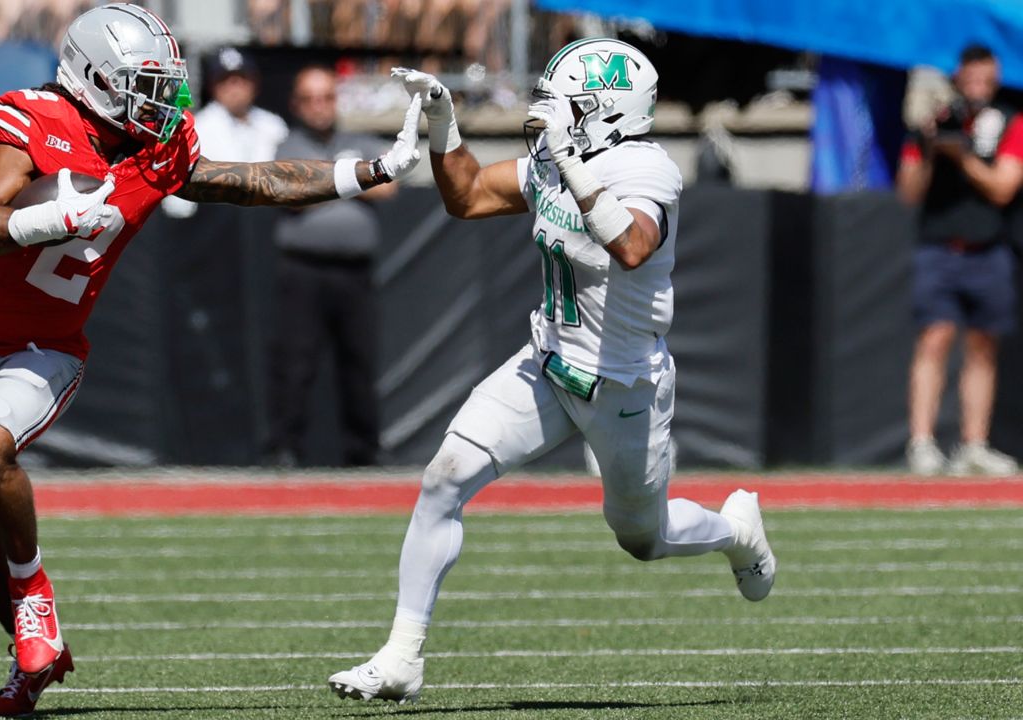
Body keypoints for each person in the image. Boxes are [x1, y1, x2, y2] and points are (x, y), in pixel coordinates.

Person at [0, 4, 422, 716]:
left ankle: (34, 595)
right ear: (95, 81)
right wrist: (52, 220)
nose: (165, 104)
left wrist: (371, 169)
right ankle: (31, 652)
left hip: (50, 343)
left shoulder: (157, 149)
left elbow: (258, 181)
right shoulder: (35, 119)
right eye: (145, 86)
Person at [327, 39, 776, 703]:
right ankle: (401, 658)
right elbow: (470, 196)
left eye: (565, 102)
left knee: (643, 539)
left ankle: (736, 532)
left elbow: (631, 244)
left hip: (622, 382)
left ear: (608, 109)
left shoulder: (646, 168)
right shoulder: (552, 156)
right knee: (443, 480)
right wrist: (446, 124)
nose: (547, 112)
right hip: (546, 361)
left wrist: (568, 159)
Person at [898, 44, 1022, 477]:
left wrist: (964, 157)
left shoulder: (1008, 119)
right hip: (938, 247)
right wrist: (933, 147)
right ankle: (922, 443)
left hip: (989, 249)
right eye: (970, 79)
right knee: (934, 338)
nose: (976, 88)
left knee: (982, 347)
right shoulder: (935, 123)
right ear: (958, 77)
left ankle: (974, 443)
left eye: (984, 79)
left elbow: (1005, 187)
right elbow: (908, 192)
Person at [265, 65, 396, 467]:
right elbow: (290, 193)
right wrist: (352, 180)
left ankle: (364, 451)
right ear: (296, 104)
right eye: (311, 98)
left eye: (327, 97)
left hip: (354, 272)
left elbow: (389, 184)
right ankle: (286, 449)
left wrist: (324, 179)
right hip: (304, 270)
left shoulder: (358, 139)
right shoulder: (288, 145)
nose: (320, 107)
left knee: (359, 362)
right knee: (296, 362)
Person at [161, 46, 288, 217]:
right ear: (213, 86)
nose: (234, 87)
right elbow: (177, 204)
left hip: (266, 220)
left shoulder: (274, 126)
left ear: (255, 83)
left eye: (242, 79)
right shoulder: (197, 128)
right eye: (225, 80)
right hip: (216, 223)